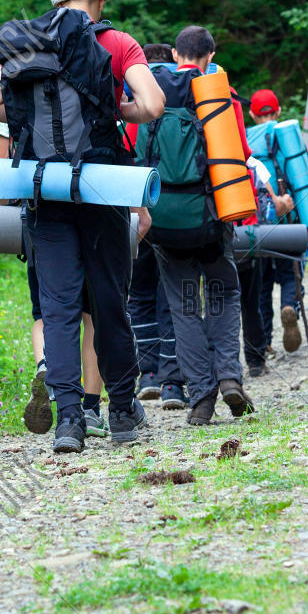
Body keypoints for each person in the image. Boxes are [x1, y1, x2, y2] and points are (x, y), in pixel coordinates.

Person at [0, 0, 164, 453]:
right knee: (107, 302)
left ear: (58, 2)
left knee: (57, 309)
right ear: (100, 1)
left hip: (45, 191)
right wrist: (112, 109)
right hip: (101, 188)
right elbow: (154, 104)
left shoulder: (29, 39)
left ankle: (69, 422)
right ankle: (121, 410)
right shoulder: (118, 43)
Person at [136, 25, 254, 425]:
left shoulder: (153, 91)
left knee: (185, 306)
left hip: (163, 219)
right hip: (209, 218)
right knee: (223, 294)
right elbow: (239, 154)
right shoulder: (218, 93)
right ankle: (229, 378)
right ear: (210, 54)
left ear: (173, 54)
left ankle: (201, 399)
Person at [0, 114, 111, 436]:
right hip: (93, 215)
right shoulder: (92, 89)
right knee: (92, 317)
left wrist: (10, 214)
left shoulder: (15, 101)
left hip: (42, 219)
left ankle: (46, 366)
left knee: (47, 311)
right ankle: (91, 410)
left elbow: (2, 181)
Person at [126, 43, 189, 409]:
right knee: (171, 297)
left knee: (139, 294)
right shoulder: (186, 94)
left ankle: (146, 374)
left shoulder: (133, 96)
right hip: (178, 212)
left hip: (134, 210)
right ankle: (172, 383)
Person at [239, 89, 301, 371]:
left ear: (251, 113)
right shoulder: (286, 137)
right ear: (278, 112)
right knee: (289, 273)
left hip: (258, 227)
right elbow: (302, 178)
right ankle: (291, 307)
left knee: (261, 287)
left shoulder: (248, 140)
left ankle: (263, 343)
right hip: (287, 224)